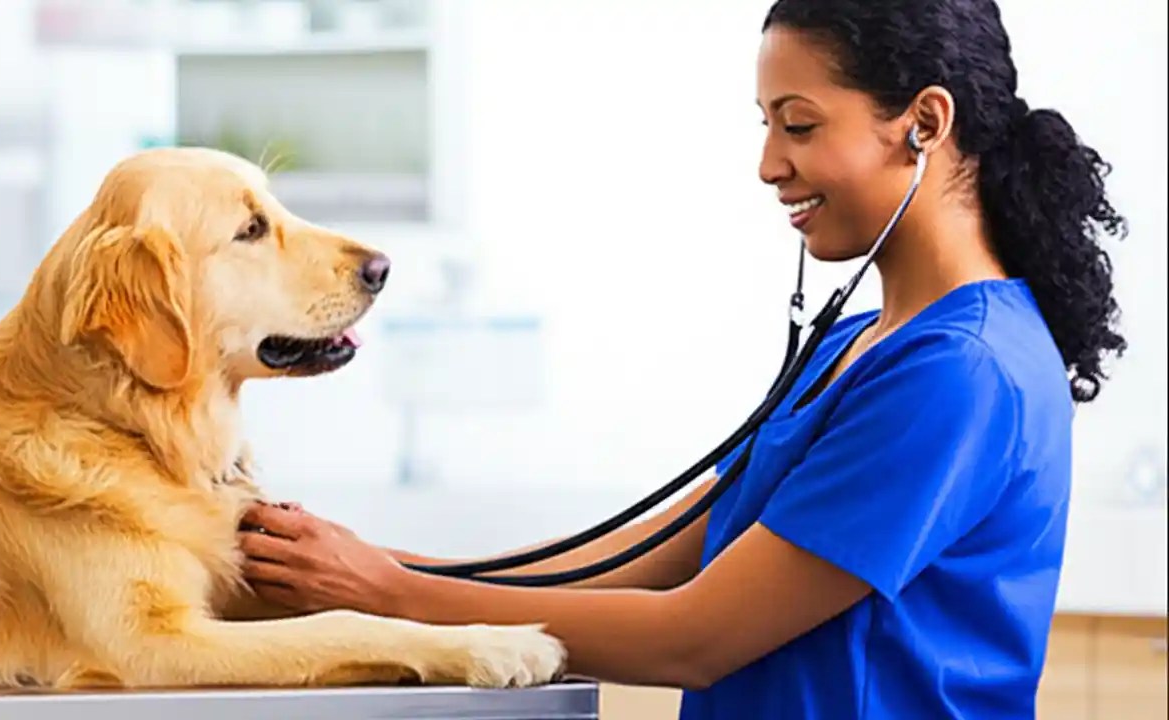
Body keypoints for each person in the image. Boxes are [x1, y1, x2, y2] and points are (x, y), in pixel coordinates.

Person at [236, 1, 1129, 717]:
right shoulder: (863, 342)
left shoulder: (959, 371)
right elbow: (653, 550)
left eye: (800, 125)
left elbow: (694, 637)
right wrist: (373, 570)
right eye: (767, 125)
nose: (769, 164)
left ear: (925, 122)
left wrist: (392, 597)